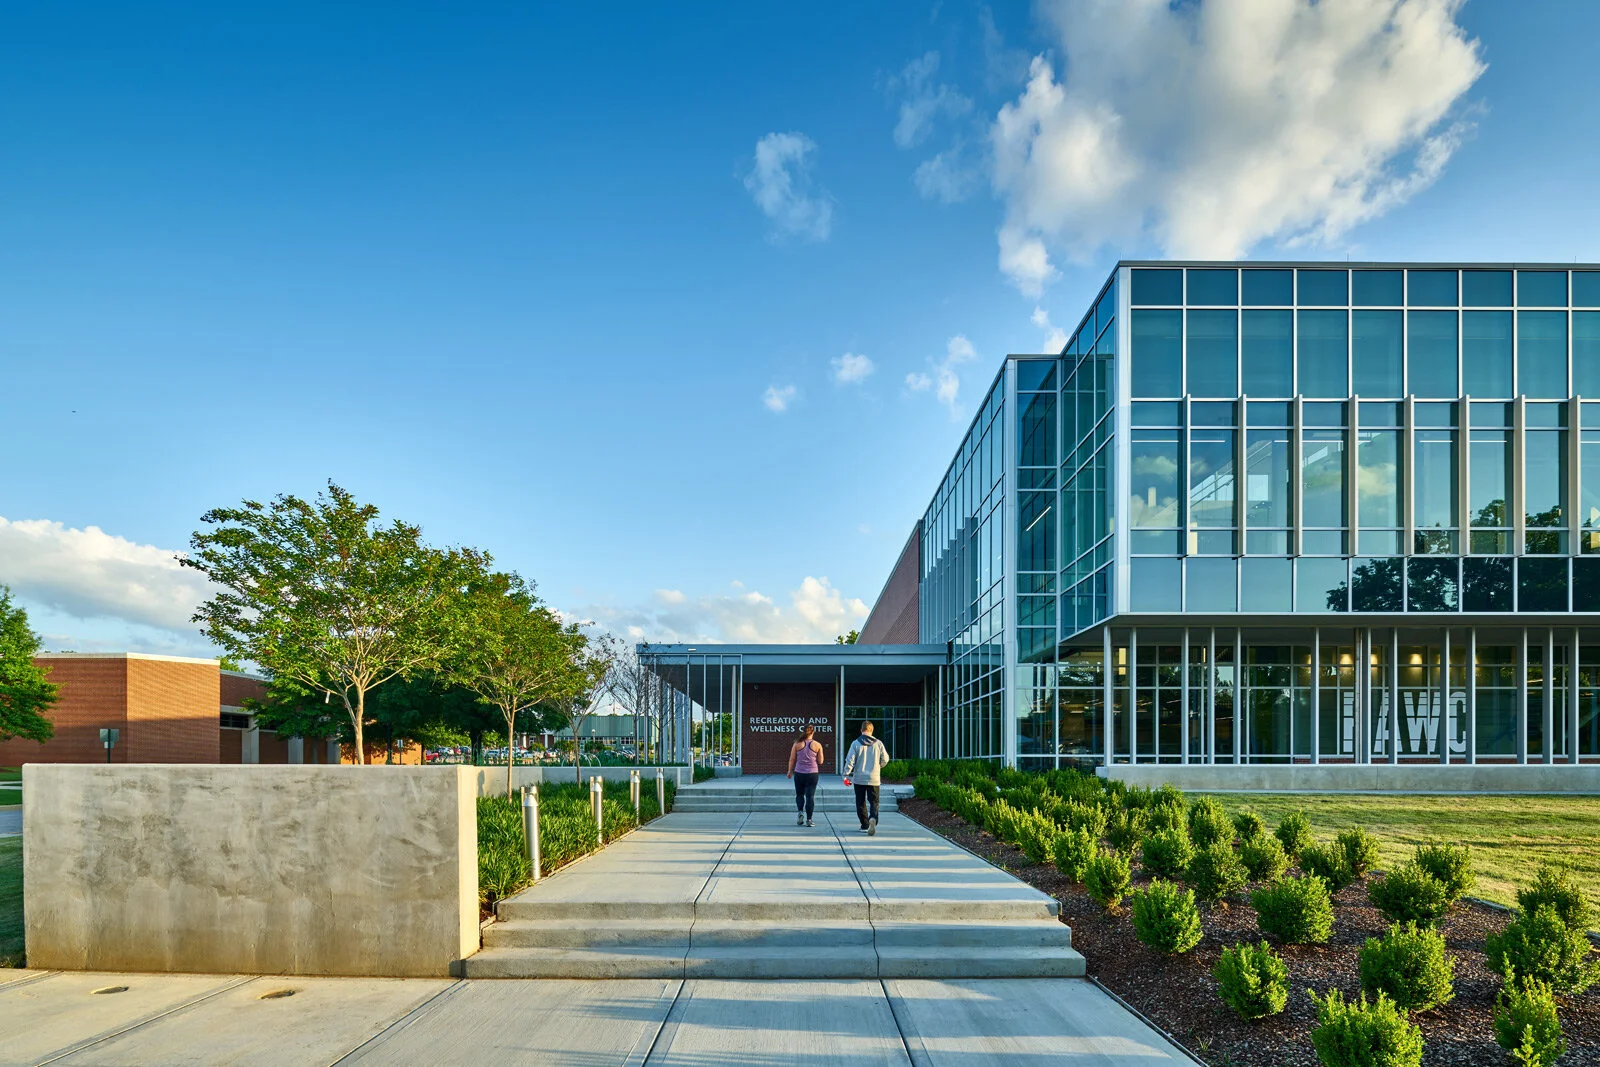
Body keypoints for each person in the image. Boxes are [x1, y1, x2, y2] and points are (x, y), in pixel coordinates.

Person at [841, 721, 890, 835]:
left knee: (860, 802)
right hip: (874, 778)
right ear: (871, 730)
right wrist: (879, 766)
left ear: (861, 730)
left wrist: (845, 775)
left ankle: (864, 825)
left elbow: (850, 761)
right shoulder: (878, 743)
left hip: (859, 779)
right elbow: (886, 759)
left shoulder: (855, 743)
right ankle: (873, 817)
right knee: (874, 801)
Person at [786, 725, 824, 826]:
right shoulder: (817, 745)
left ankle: (800, 812)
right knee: (810, 796)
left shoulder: (797, 744)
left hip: (799, 773)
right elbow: (820, 761)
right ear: (813, 732)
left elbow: (792, 759)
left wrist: (790, 771)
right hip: (812, 774)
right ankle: (809, 820)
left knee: (799, 794)